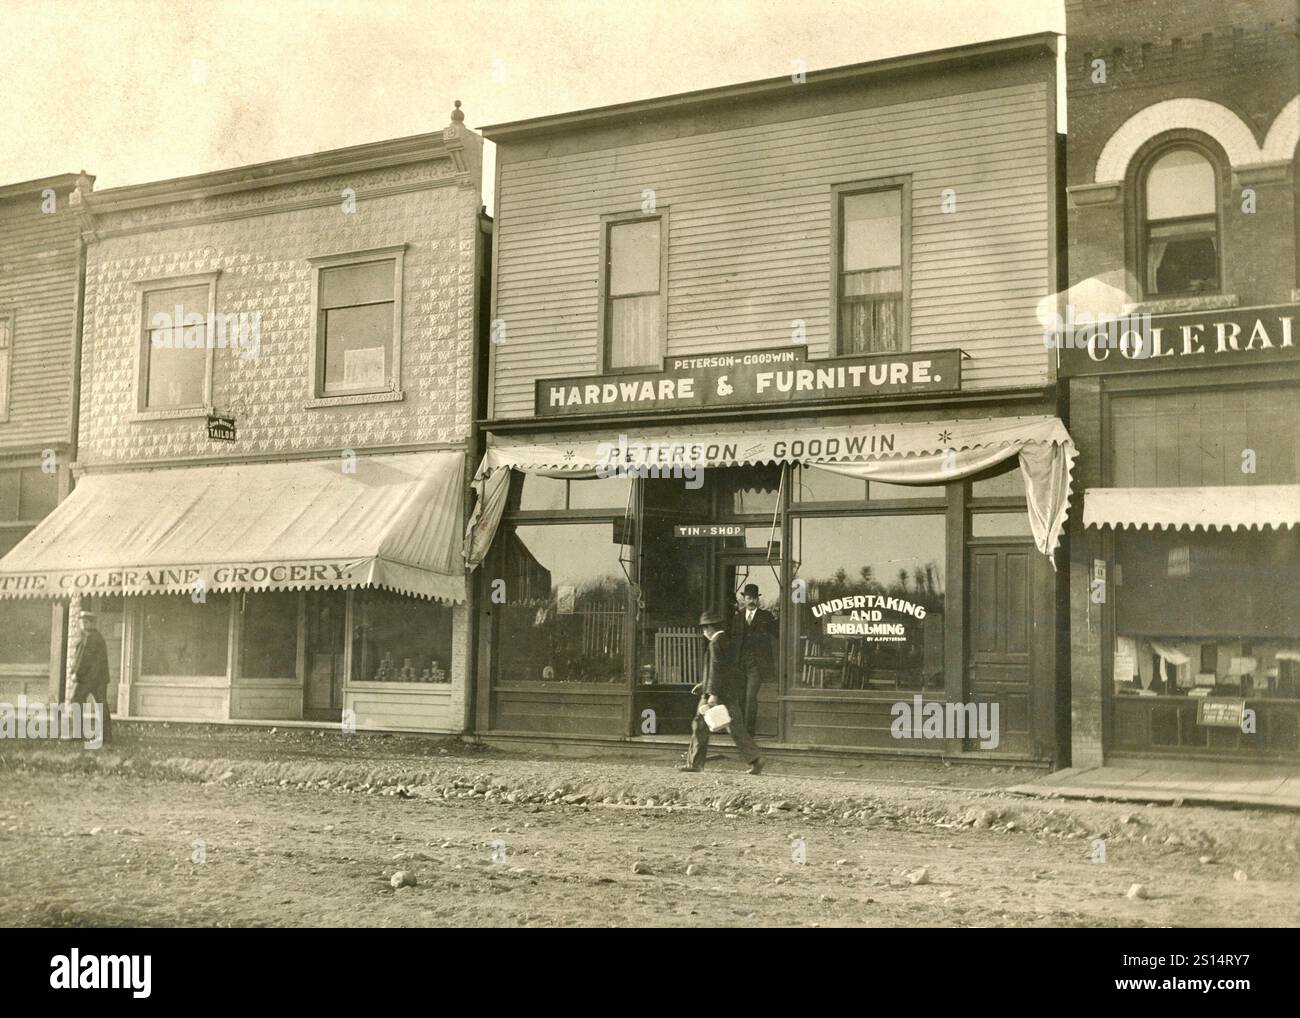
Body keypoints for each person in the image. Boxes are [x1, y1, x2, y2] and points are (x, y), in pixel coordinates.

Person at [678, 609, 764, 775]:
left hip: (717, 694)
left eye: (704, 628)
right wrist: (704, 685)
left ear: (710, 628)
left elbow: (716, 669)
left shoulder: (715, 643)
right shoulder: (728, 641)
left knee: (699, 724)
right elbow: (726, 669)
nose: (703, 632)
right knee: (736, 727)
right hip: (729, 692)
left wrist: (712, 694)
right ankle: (756, 759)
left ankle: (695, 763)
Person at [733, 583, 777, 734]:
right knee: (740, 697)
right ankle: (742, 729)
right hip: (740, 664)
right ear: (744, 599)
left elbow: (778, 635)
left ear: (757, 600)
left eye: (754, 598)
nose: (751, 601)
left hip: (757, 665)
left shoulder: (766, 616)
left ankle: (748, 731)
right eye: (748, 598)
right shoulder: (737, 618)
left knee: (750, 696)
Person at [68, 609, 112, 745]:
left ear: (92, 623)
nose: (82, 624)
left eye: (85, 622)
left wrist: (77, 673)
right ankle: (106, 737)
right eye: (82, 621)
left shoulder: (91, 637)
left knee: (76, 700)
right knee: (101, 705)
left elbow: (84, 659)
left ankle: (77, 734)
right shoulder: (92, 636)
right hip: (97, 679)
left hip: (89, 678)